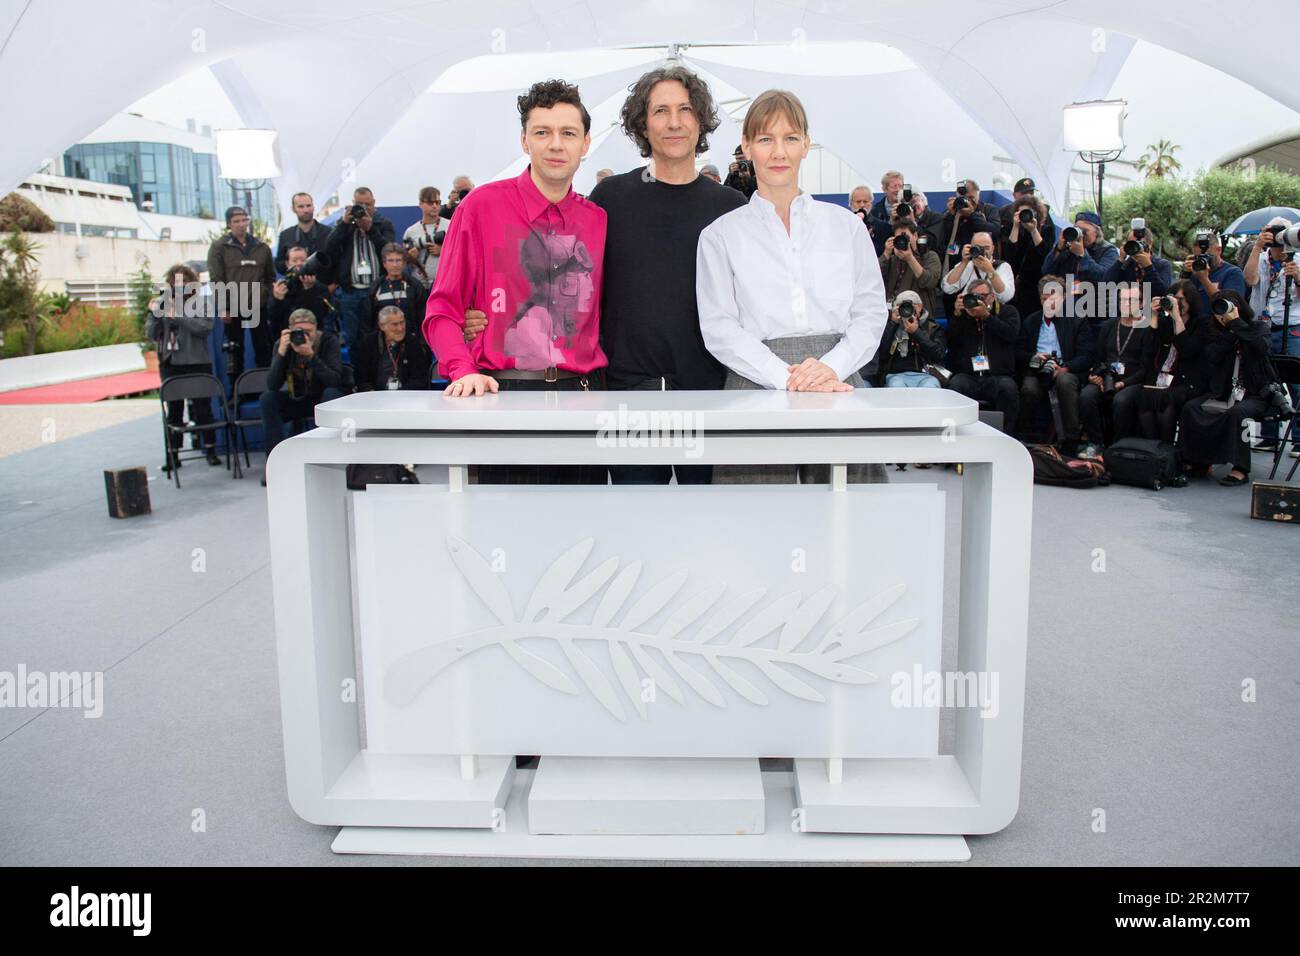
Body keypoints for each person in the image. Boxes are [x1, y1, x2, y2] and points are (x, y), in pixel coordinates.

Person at [696, 89, 888, 483]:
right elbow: (718, 326)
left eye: (789, 138)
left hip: (838, 376)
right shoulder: (720, 235)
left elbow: (870, 312)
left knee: (852, 515)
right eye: (765, 139)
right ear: (747, 147)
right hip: (754, 377)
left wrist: (830, 368)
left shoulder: (846, 226)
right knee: (754, 523)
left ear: (806, 144)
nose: (778, 152)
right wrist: (786, 377)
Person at [424, 78, 607, 485]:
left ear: (586, 143)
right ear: (524, 141)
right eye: (542, 132)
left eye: (568, 133)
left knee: (588, 536)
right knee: (502, 536)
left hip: (585, 400)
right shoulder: (479, 208)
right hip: (502, 399)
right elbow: (441, 311)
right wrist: (462, 370)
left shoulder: (597, 220)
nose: (556, 144)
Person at [584, 64, 746, 485]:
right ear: (642, 123)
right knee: (636, 533)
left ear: (701, 120)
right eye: (660, 111)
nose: (674, 122)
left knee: (710, 533)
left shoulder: (730, 206)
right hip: (627, 398)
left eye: (685, 109)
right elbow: (572, 287)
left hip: (709, 396)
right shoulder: (609, 198)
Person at [1177, 291, 1276, 485]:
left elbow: (1261, 348)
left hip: (1255, 394)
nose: (1222, 315)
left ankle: (1240, 468)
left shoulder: (1258, 327)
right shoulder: (1214, 333)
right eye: (1217, 311)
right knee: (1191, 408)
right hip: (1222, 392)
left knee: (1238, 412)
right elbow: (1212, 357)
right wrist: (1230, 332)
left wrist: (1237, 324)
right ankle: (1198, 461)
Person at [147, 263, 221, 470]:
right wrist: (155, 315)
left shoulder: (202, 302)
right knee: (174, 411)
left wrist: (178, 316)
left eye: (186, 282)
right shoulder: (163, 302)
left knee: (203, 408)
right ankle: (173, 455)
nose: (181, 286)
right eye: (177, 282)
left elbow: (205, 327)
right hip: (171, 363)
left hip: (197, 362)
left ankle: (211, 449)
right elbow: (151, 334)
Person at [258, 309, 344, 484]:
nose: (304, 336)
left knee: (332, 393)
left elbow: (334, 380)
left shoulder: (328, 341)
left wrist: (311, 356)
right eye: (299, 332)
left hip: (322, 399)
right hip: (296, 398)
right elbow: (272, 385)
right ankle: (275, 463)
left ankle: (328, 459)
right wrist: (281, 354)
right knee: (268, 399)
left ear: (316, 328)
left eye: (308, 332)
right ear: (289, 330)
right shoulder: (283, 345)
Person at [1076, 284, 1156, 459]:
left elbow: (1146, 368)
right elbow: (1098, 357)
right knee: (1087, 395)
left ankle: (1117, 446)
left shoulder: (1147, 328)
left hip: (1133, 380)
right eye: (1122, 300)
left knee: (1122, 400)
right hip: (1107, 377)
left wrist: (1124, 383)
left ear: (1142, 304)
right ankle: (1096, 443)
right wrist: (1096, 375)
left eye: (1131, 300)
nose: (1125, 304)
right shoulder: (1109, 325)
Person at [1243, 216, 1300, 450]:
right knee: (1265, 380)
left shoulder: (1297, 259)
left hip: (1293, 326)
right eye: (1272, 232)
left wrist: (1297, 277)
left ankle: (1298, 439)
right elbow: (1250, 279)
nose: (1276, 238)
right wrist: (1257, 246)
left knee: (1296, 383)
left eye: (1281, 233)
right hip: (1263, 327)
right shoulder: (1262, 258)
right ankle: (1269, 436)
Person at [1016, 275, 1093, 448]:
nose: (1049, 303)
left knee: (1065, 383)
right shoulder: (1031, 321)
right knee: (1029, 388)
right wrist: (1033, 358)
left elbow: (1086, 355)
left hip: (1066, 369)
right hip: (1038, 368)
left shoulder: (1077, 320)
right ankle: (1028, 437)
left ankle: (1071, 438)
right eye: (1045, 298)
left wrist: (1066, 367)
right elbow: (1018, 351)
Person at [1136, 280, 1209, 444]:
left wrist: (1176, 316)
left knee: (1166, 399)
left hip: (1187, 381)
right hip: (1160, 378)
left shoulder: (1202, 323)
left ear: (1191, 301)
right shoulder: (1164, 322)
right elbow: (1147, 350)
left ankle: (1166, 450)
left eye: (1180, 299)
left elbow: (1188, 350)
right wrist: (1153, 317)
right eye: (1172, 299)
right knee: (1144, 397)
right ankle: (1152, 450)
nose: (1175, 303)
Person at [206, 205, 275, 379]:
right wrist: (223, 306)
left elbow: (269, 277)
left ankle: (264, 386)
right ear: (229, 224)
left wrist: (265, 296)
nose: (241, 224)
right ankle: (236, 392)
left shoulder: (262, 247)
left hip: (257, 305)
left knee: (263, 347)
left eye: (244, 220)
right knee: (234, 349)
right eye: (236, 221)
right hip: (233, 305)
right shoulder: (219, 247)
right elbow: (216, 278)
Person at [945, 277, 1020, 434]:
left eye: (982, 296)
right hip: (969, 375)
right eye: (974, 297)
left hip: (997, 375)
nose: (978, 301)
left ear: (992, 297)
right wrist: (958, 315)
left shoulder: (1007, 312)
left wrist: (987, 316)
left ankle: (1006, 435)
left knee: (1008, 388)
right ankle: (958, 434)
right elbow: (951, 340)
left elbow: (1011, 334)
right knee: (956, 385)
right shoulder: (964, 316)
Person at [323, 186, 395, 348]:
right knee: (353, 339)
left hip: (377, 290)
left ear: (374, 203)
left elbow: (388, 251)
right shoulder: (344, 225)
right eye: (360, 205)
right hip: (351, 292)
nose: (364, 209)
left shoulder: (383, 223)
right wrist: (344, 223)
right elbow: (329, 249)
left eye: (368, 204)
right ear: (353, 204)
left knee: (380, 336)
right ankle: (358, 372)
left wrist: (370, 229)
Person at [1040, 211, 1118, 321]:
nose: (1081, 234)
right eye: (1077, 229)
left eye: (1085, 231)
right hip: (1068, 311)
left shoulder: (1108, 251)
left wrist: (1082, 255)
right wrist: (1057, 249)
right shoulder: (1068, 247)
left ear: (1097, 233)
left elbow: (1104, 278)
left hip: (1095, 312)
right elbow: (1046, 271)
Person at [871, 290, 946, 388]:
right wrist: (893, 323)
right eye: (901, 306)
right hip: (896, 375)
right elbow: (881, 354)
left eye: (910, 306)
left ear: (919, 307)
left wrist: (916, 332)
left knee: (930, 388)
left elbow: (938, 354)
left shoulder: (932, 327)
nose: (906, 310)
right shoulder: (891, 326)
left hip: (926, 375)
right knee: (896, 386)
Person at [353, 305, 432, 392]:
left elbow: (419, 378)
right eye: (394, 324)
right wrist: (372, 394)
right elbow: (362, 378)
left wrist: (400, 396)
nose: (400, 328)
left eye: (402, 322)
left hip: (407, 397)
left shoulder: (413, 343)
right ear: (381, 326)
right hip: (375, 398)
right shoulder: (369, 343)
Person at [939, 229, 1014, 321]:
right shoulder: (966, 265)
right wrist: (964, 262)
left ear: (993, 249)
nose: (982, 251)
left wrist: (990, 270)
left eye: (986, 248)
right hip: (968, 317)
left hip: (993, 317)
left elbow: (1006, 296)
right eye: (978, 248)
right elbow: (947, 288)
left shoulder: (1003, 266)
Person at [1001, 194, 1052, 319]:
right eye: (1020, 212)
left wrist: (1033, 230)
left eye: (1027, 212)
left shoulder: (1046, 229)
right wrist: (1016, 226)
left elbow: (1043, 254)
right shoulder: (1015, 229)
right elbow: (1010, 255)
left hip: (1035, 285)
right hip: (1018, 286)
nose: (1024, 215)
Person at [878, 219, 941, 319]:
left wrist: (910, 258)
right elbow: (874, 278)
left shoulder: (929, 256)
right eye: (898, 238)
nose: (903, 241)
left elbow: (930, 282)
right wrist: (886, 254)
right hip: (893, 316)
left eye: (906, 237)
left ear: (915, 236)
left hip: (918, 317)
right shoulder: (892, 259)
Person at [268, 246, 335, 340]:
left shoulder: (320, 287)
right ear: (287, 264)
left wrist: (309, 290)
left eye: (303, 260)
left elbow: (319, 315)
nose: (299, 263)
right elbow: (272, 317)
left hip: (312, 337)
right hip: (285, 336)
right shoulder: (280, 287)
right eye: (294, 260)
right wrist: (277, 299)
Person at [1178, 228, 1246, 317]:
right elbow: (1180, 299)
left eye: (1206, 256)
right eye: (1198, 257)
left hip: (1219, 328)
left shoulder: (1232, 273)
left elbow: (1229, 306)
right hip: (1195, 326)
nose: (1203, 260)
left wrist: (1204, 280)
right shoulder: (1195, 272)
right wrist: (1185, 274)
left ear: (1219, 250)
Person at [367, 242, 429, 340]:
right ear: (384, 264)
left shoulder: (415, 286)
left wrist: (422, 344)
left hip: (412, 342)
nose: (395, 265)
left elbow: (422, 317)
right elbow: (369, 321)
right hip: (384, 345)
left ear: (404, 263)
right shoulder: (376, 288)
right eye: (390, 261)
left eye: (398, 260)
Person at [1102, 223, 1172, 298]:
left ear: (1150, 244)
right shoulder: (1126, 265)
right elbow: (1106, 286)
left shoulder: (1162, 265)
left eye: (1139, 243)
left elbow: (1162, 293)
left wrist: (1148, 266)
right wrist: (1120, 260)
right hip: (1127, 307)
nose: (1135, 247)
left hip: (1150, 308)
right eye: (1131, 243)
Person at [274, 192, 332, 274]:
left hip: (322, 284)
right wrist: (290, 265)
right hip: (296, 285)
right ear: (293, 209)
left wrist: (331, 285)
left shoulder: (328, 233)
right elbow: (278, 264)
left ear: (313, 207)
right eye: (301, 206)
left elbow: (336, 260)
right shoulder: (285, 235)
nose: (306, 210)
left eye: (309, 205)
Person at [402, 186, 448, 284]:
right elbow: (402, 262)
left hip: (445, 283)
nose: (435, 206)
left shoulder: (451, 225)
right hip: (419, 285)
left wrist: (443, 250)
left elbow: (462, 252)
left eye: (438, 202)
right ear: (420, 204)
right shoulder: (411, 231)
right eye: (430, 203)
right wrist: (410, 257)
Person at [996, 177, 1053, 246]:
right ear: (1014, 195)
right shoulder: (1004, 212)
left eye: (1031, 193)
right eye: (1024, 193)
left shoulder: (1042, 211)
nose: (1028, 196)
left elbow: (1049, 240)